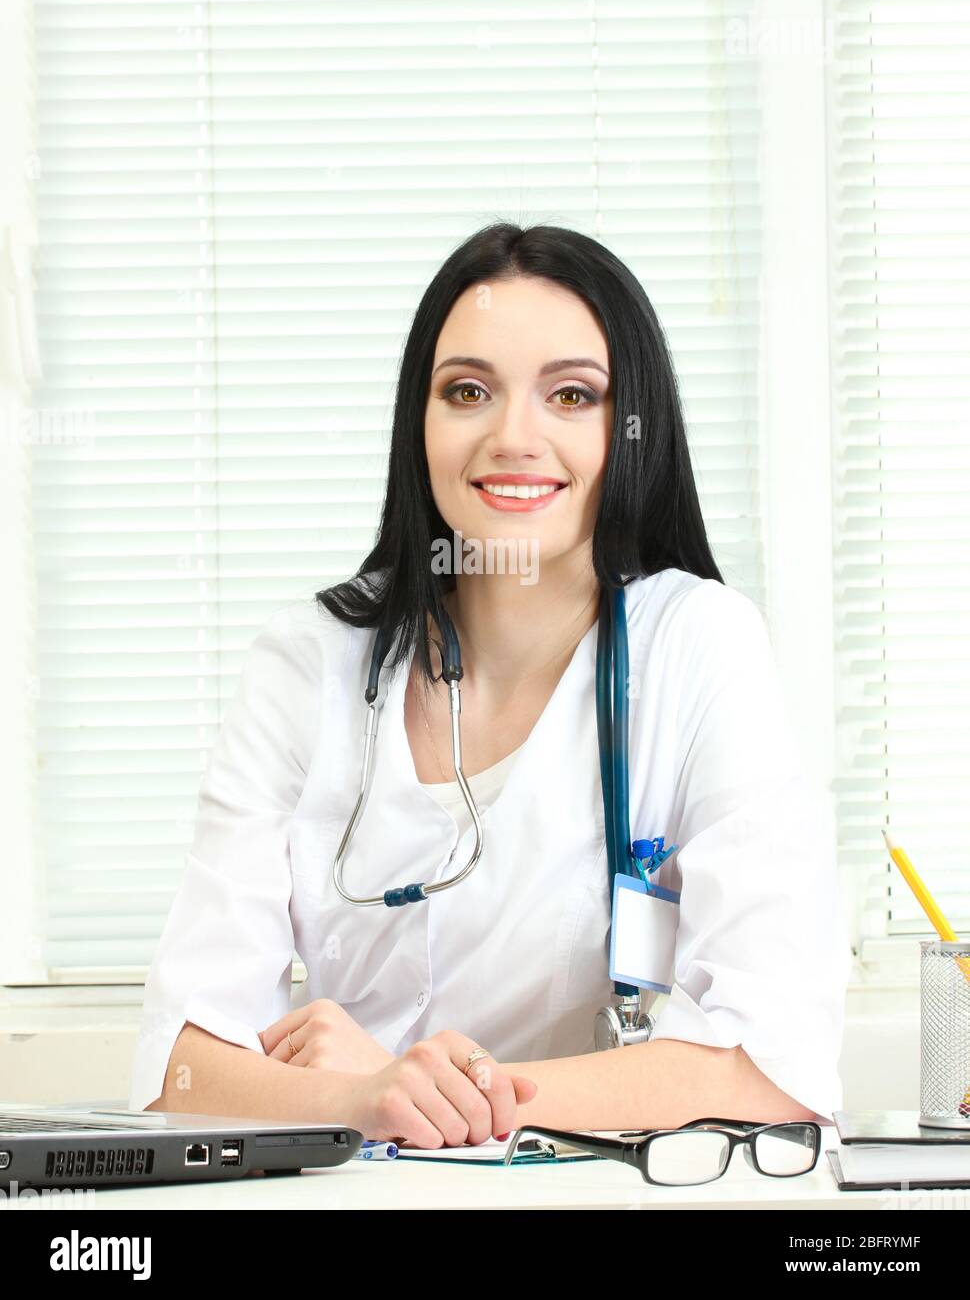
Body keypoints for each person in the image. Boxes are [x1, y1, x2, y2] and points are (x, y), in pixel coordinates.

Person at [128, 222, 851, 1148]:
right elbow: (178, 1068)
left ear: (631, 430)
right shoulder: (306, 663)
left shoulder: (700, 647)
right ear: (418, 424)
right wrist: (362, 1099)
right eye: (468, 390)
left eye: (572, 395)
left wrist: (424, 1089)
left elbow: (771, 1069)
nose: (515, 436)